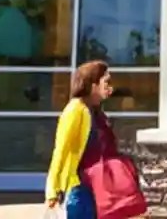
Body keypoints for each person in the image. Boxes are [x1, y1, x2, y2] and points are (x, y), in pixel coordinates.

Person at [45, 60, 117, 219]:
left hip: (98, 186)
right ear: (93, 84)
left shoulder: (96, 112)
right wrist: (52, 188)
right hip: (79, 187)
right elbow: (61, 150)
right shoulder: (75, 110)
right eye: (106, 81)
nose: (109, 86)